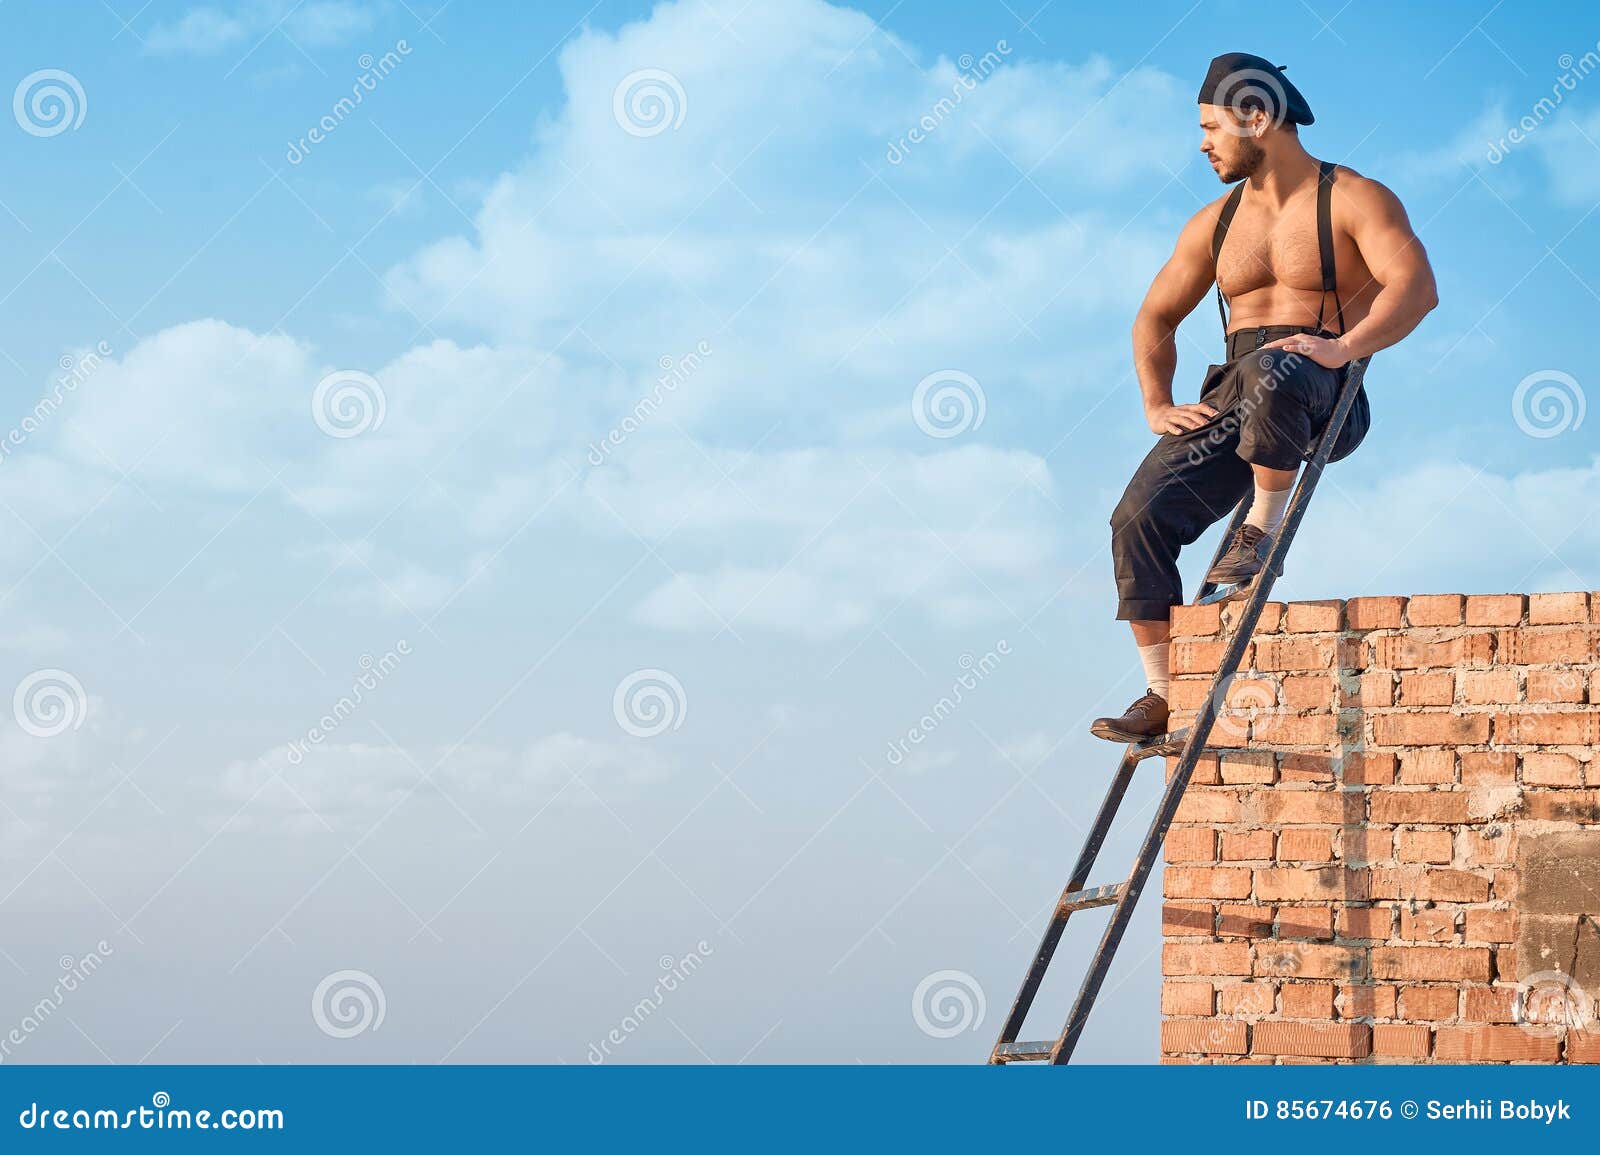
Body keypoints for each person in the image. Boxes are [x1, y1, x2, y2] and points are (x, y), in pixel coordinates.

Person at [1090, 52, 1438, 743]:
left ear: (1256, 117)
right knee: (1136, 518)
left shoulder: (1353, 197)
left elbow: (1416, 288)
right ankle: (1164, 693)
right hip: (1235, 397)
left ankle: (1262, 528)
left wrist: (1344, 346)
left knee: (1273, 367)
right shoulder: (1214, 223)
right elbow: (1154, 317)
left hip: (1322, 391)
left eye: (1210, 127)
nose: (1202, 143)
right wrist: (1157, 405)